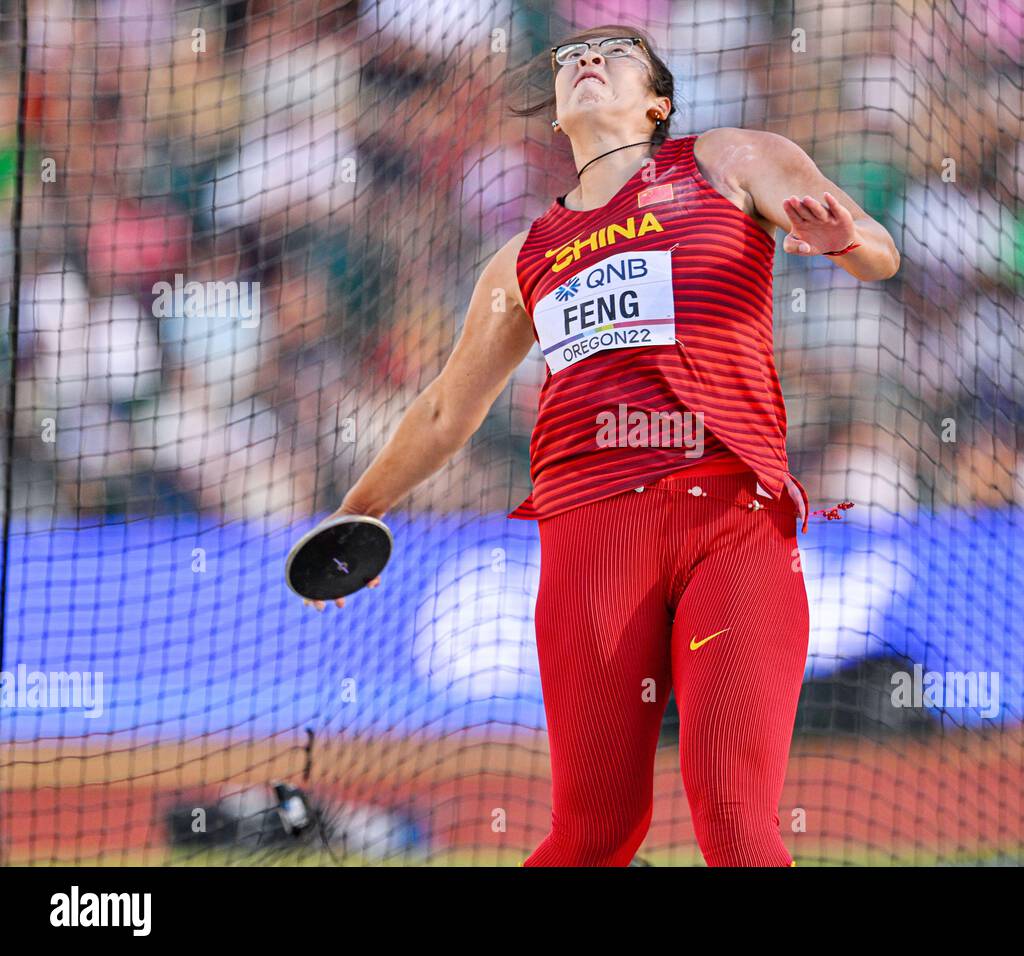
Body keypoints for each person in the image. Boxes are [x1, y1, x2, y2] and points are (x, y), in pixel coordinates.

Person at [310, 25, 899, 866]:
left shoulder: (728, 158)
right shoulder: (522, 258)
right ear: (556, 115)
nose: (586, 60)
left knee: (734, 820)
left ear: (658, 102)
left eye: (616, 52)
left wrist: (843, 241)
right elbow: (446, 411)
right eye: (568, 59)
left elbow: (880, 252)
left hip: (730, 517)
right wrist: (354, 515)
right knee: (593, 833)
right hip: (588, 535)